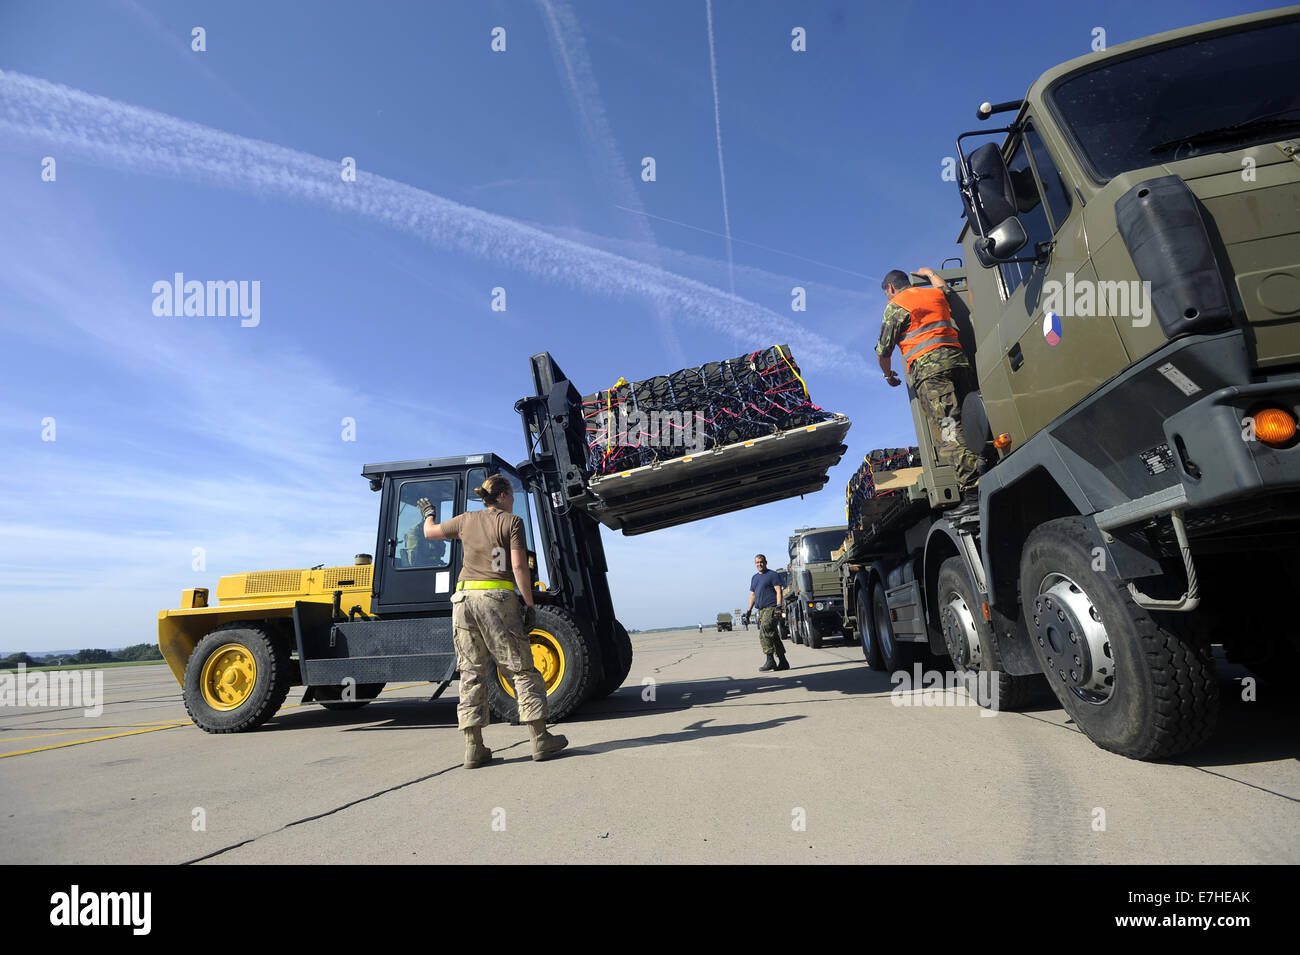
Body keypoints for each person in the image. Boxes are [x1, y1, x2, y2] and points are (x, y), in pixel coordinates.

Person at [420, 474, 568, 768]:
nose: (513, 501)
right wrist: (528, 603)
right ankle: (540, 739)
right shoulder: (511, 523)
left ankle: (474, 747)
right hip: (497, 600)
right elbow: (517, 565)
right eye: (511, 496)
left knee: (471, 672)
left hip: (462, 602)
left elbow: (430, 533)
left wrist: (429, 514)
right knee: (521, 668)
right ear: (502, 496)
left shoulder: (464, 520)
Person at [877, 266, 984, 512]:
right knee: (969, 419)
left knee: (947, 428)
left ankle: (973, 491)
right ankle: (985, 463)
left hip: (930, 373)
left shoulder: (896, 305)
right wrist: (931, 273)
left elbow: (884, 350)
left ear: (890, 289)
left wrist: (887, 375)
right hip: (959, 362)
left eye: (887, 294)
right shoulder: (933, 294)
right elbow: (944, 288)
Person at [745, 554, 788, 672]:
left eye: (761, 562)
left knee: (764, 632)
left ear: (766, 562)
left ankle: (770, 661)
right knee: (772, 635)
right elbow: (752, 595)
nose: (759, 564)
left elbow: (778, 591)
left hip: (772, 608)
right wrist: (748, 611)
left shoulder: (772, 575)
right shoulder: (754, 578)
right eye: (757, 562)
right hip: (761, 610)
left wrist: (779, 606)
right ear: (755, 564)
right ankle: (783, 661)